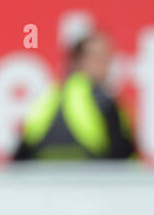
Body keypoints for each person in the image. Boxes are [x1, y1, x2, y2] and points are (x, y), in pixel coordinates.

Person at [13, 29, 136, 161]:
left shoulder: (45, 101)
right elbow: (124, 161)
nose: (107, 64)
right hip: (92, 180)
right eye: (99, 57)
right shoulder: (105, 102)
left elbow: (19, 161)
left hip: (47, 181)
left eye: (108, 57)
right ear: (78, 60)